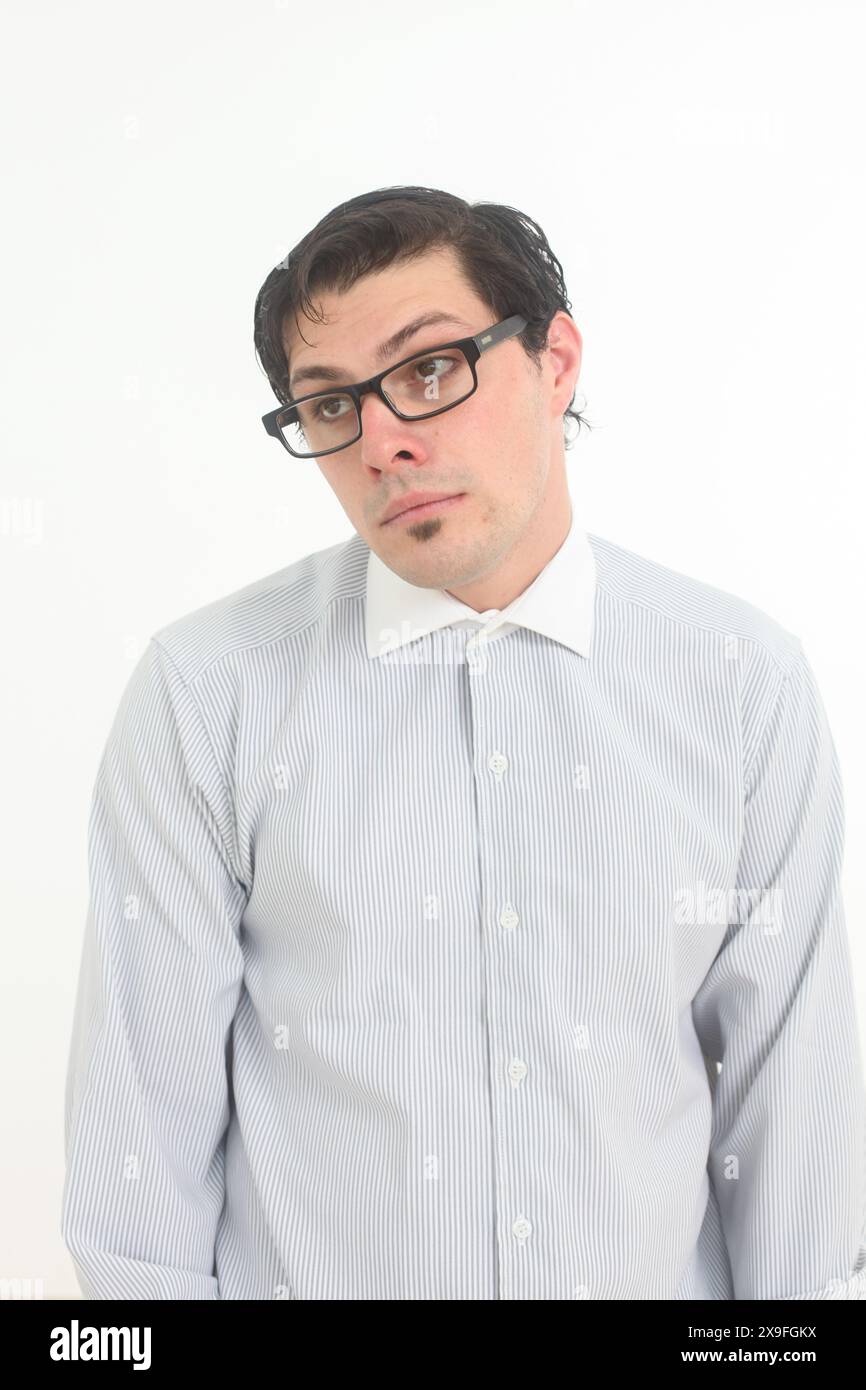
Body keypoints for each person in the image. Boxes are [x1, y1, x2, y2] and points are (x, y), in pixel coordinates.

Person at [61, 185, 866, 1300]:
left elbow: (793, 1122)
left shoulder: (740, 687)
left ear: (555, 361)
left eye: (429, 369)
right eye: (330, 405)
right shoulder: (208, 695)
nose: (382, 440)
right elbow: (137, 1170)